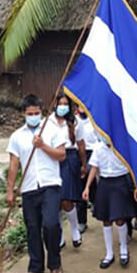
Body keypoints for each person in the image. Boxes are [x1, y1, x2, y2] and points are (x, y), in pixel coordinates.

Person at [6, 94, 67, 273]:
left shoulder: (52, 130)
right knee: (32, 228)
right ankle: (35, 267)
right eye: (30, 114)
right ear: (23, 114)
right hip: (29, 187)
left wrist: (42, 146)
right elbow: (14, 164)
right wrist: (10, 190)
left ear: (42, 112)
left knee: (51, 224)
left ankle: (55, 266)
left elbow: (61, 155)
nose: (33, 116)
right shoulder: (17, 136)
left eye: (37, 113)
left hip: (50, 184)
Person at [82, 135, 136, 269]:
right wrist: (87, 187)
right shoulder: (98, 148)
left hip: (120, 182)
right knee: (106, 219)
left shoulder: (121, 146)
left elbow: (131, 166)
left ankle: (123, 249)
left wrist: (136, 187)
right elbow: (94, 167)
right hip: (105, 183)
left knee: (120, 218)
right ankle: (109, 253)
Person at [47, 94, 85, 249]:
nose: (62, 107)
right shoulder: (47, 122)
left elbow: (81, 144)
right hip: (52, 158)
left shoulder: (75, 122)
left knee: (66, 199)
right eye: (60, 104)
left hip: (69, 158)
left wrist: (84, 164)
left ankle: (74, 229)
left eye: (65, 104)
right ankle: (60, 233)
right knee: (55, 200)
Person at [75, 105, 99, 233]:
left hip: (93, 152)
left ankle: (95, 202)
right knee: (81, 184)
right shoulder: (74, 121)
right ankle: (81, 220)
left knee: (90, 177)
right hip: (79, 154)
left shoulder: (93, 120)